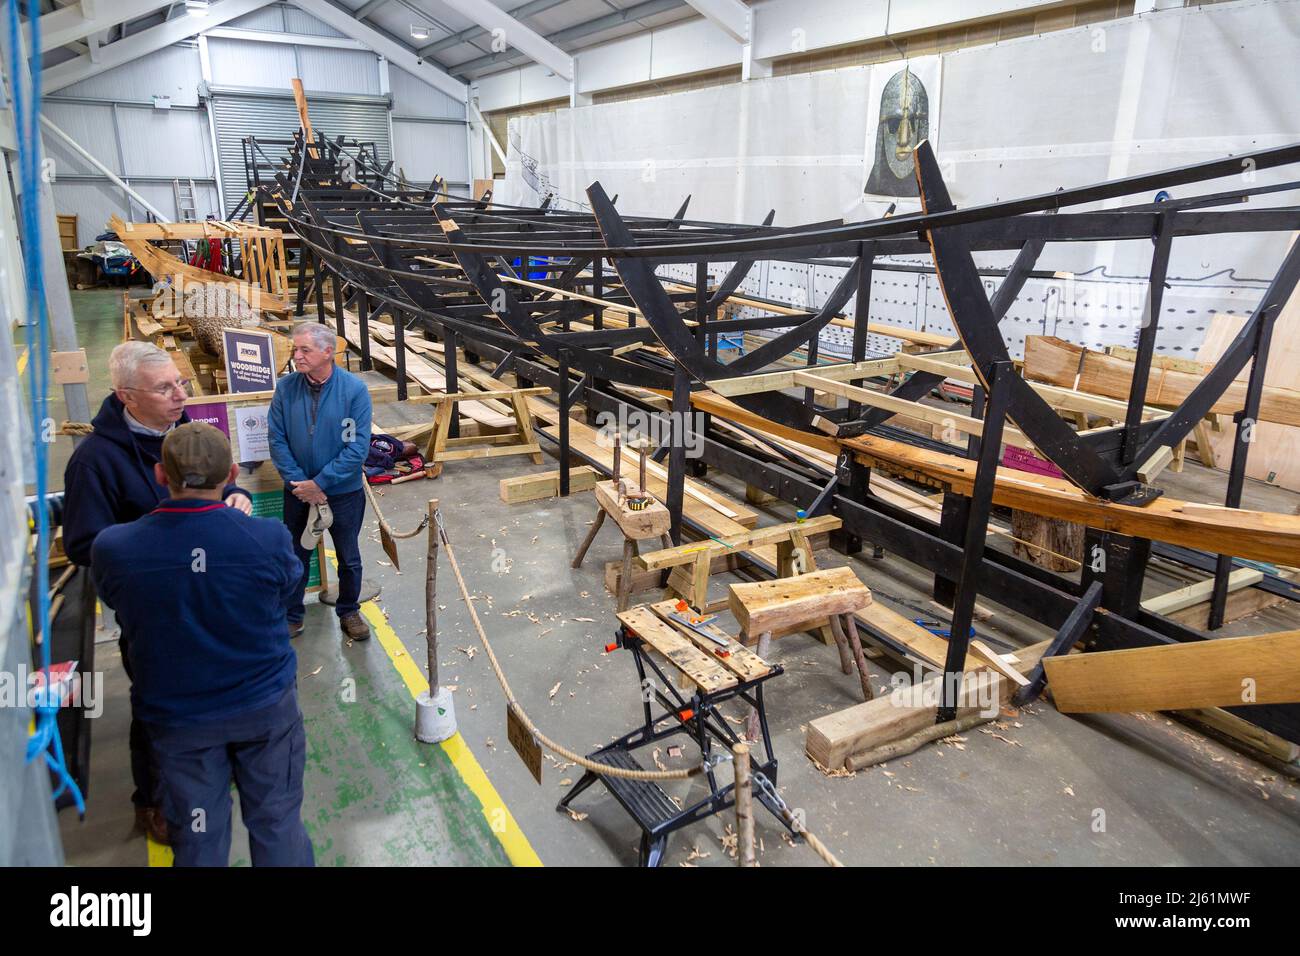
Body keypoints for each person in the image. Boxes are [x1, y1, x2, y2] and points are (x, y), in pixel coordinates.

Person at [91, 422, 314, 867]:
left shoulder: (115, 548)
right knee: (277, 823)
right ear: (232, 472)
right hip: (263, 708)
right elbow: (289, 588)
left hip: (179, 718)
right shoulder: (267, 538)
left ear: (160, 476)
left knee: (197, 836)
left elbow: (115, 599)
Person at [62, 341, 252, 844]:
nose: (180, 395)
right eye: (165, 387)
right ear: (127, 396)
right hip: (153, 614)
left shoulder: (189, 436)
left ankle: (209, 769)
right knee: (156, 706)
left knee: (210, 692)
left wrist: (237, 496)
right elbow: (85, 545)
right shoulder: (95, 462)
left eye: (181, 383)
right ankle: (153, 800)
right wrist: (158, 536)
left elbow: (228, 484)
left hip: (208, 604)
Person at [268, 321, 372, 641]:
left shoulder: (353, 390)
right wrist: (301, 483)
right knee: (296, 555)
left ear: (328, 352)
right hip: (299, 492)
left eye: (304, 350)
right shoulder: (286, 389)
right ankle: (292, 614)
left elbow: (357, 447)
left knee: (349, 558)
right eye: (295, 349)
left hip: (343, 492)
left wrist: (322, 483)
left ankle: (349, 609)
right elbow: (277, 439)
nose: (296, 355)